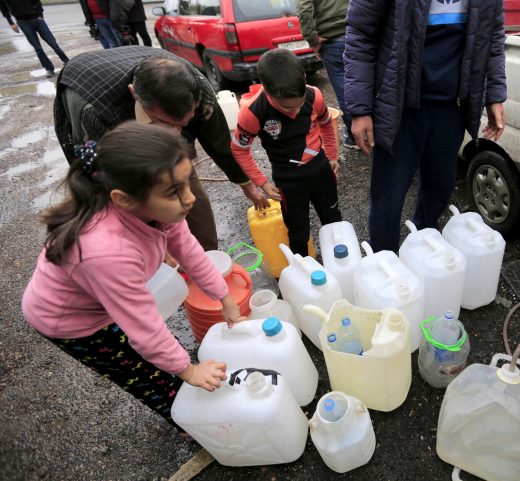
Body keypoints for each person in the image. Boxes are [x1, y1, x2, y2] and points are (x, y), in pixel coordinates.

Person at [22, 122, 244, 426]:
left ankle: (187, 399)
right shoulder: (105, 252)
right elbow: (143, 327)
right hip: (71, 320)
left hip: (104, 296)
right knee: (145, 374)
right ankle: (189, 423)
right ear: (124, 199)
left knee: (158, 355)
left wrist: (225, 298)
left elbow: (190, 251)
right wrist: (189, 370)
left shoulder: (158, 209)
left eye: (187, 182)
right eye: (174, 192)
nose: (190, 198)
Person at [53, 46, 264, 252]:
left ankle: (208, 254)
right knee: (135, 210)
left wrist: (245, 183)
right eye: (164, 123)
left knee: (194, 203)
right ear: (134, 94)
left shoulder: (199, 88)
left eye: (184, 123)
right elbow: (104, 177)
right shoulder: (94, 112)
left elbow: (219, 142)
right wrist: (159, 252)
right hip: (86, 85)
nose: (175, 134)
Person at [344, 0, 506, 253]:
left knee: (440, 188)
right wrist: (360, 109)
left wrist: (494, 95)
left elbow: (493, 38)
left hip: (452, 107)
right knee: (388, 196)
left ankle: (422, 245)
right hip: (399, 108)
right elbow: (360, 35)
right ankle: (385, 261)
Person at [231, 48, 342, 257]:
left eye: (299, 105)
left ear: (304, 78)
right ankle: (302, 271)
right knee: (298, 232)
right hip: (288, 180)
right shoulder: (253, 111)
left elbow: (327, 124)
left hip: (320, 169)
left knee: (333, 220)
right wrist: (261, 182)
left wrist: (332, 155)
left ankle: (342, 263)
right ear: (267, 90)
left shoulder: (314, 95)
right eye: (286, 108)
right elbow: (239, 149)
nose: (295, 112)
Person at [296, 0, 356, 149]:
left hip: (333, 40)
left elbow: (304, 8)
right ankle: (378, 131)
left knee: (346, 90)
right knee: (369, 83)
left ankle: (355, 137)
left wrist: (312, 39)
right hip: (359, 32)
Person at [0, 0, 69, 78]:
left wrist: (40, 15)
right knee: (38, 48)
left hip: (37, 19)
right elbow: (3, 8)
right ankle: (49, 68)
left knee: (53, 43)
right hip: (22, 22)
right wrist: (11, 23)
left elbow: (37, 1)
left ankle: (66, 61)